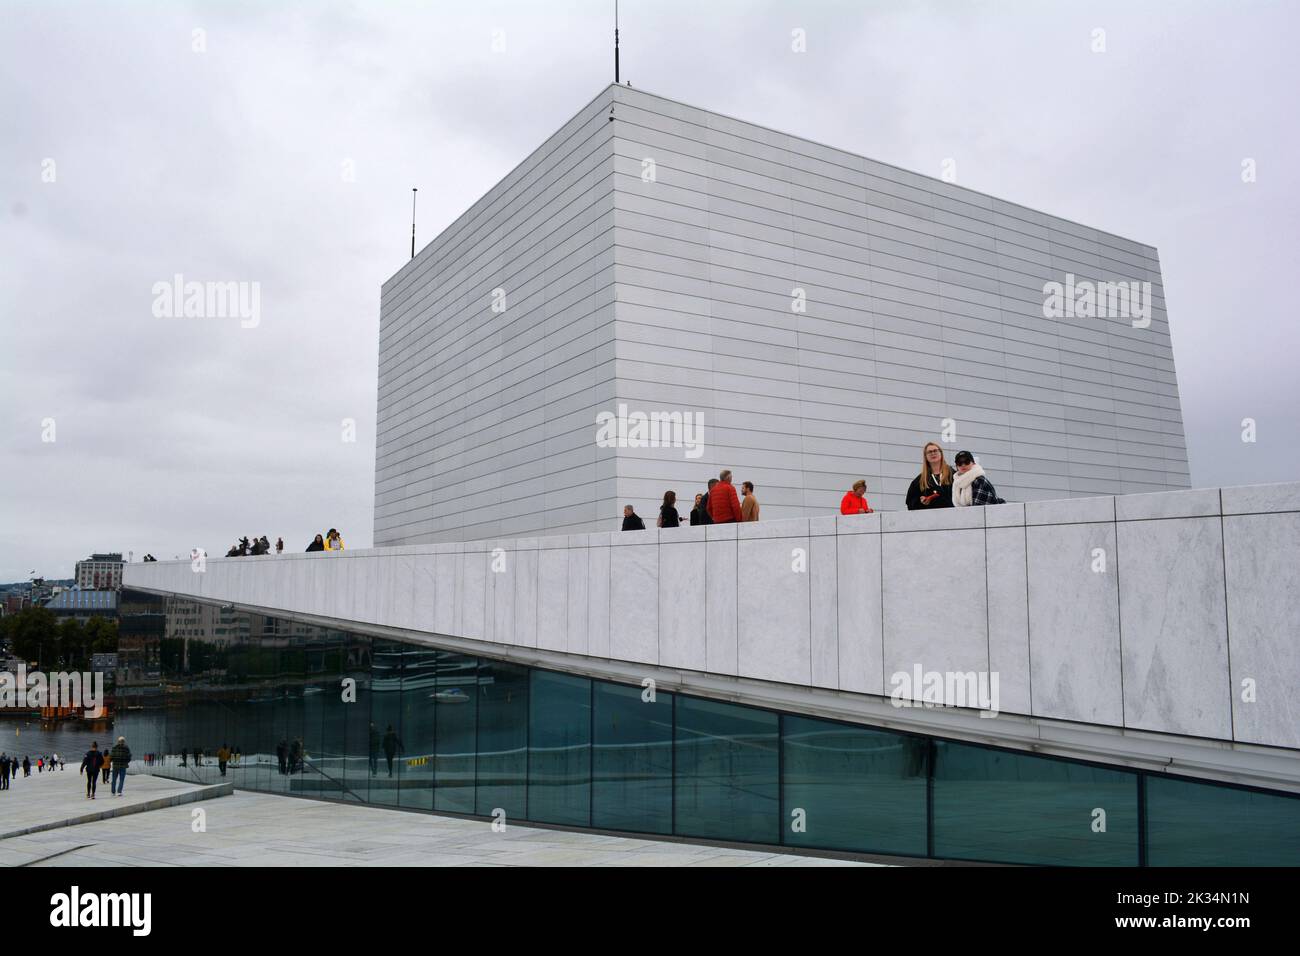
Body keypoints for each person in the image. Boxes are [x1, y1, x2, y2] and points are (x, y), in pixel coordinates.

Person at [906, 442, 955, 510]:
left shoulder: (954, 475)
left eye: (935, 450)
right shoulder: (919, 481)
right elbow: (910, 504)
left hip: (953, 516)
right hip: (930, 518)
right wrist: (921, 503)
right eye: (929, 452)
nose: (933, 453)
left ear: (941, 453)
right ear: (925, 456)